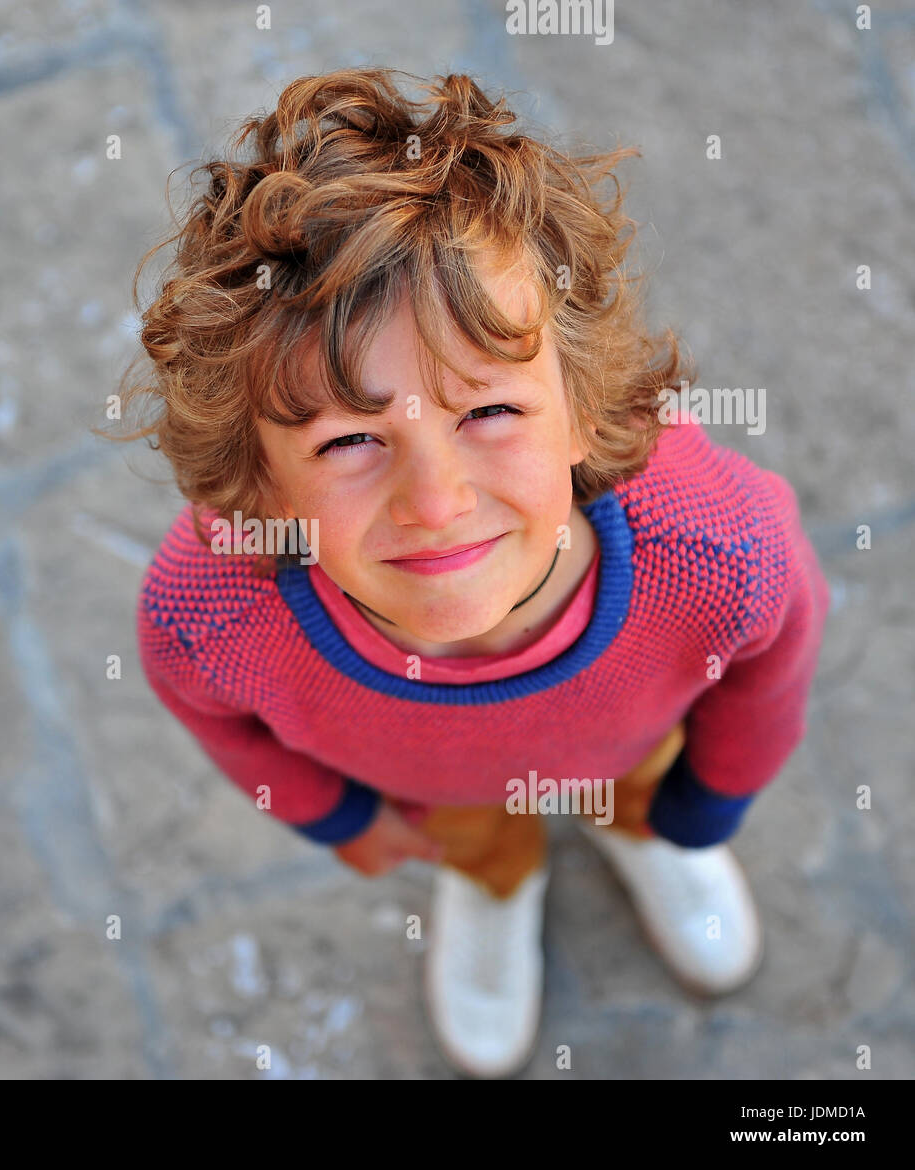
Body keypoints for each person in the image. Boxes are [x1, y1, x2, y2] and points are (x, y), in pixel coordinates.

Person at [102, 67, 830, 1078]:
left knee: (642, 794)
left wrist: (712, 797)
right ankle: (495, 883)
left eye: (489, 412)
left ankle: (648, 836)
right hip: (435, 795)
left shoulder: (713, 547)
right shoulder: (211, 612)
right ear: (253, 487)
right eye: (351, 441)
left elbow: (779, 649)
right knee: (478, 839)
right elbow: (206, 710)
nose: (435, 502)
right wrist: (335, 817)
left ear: (591, 409)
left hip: (637, 745)